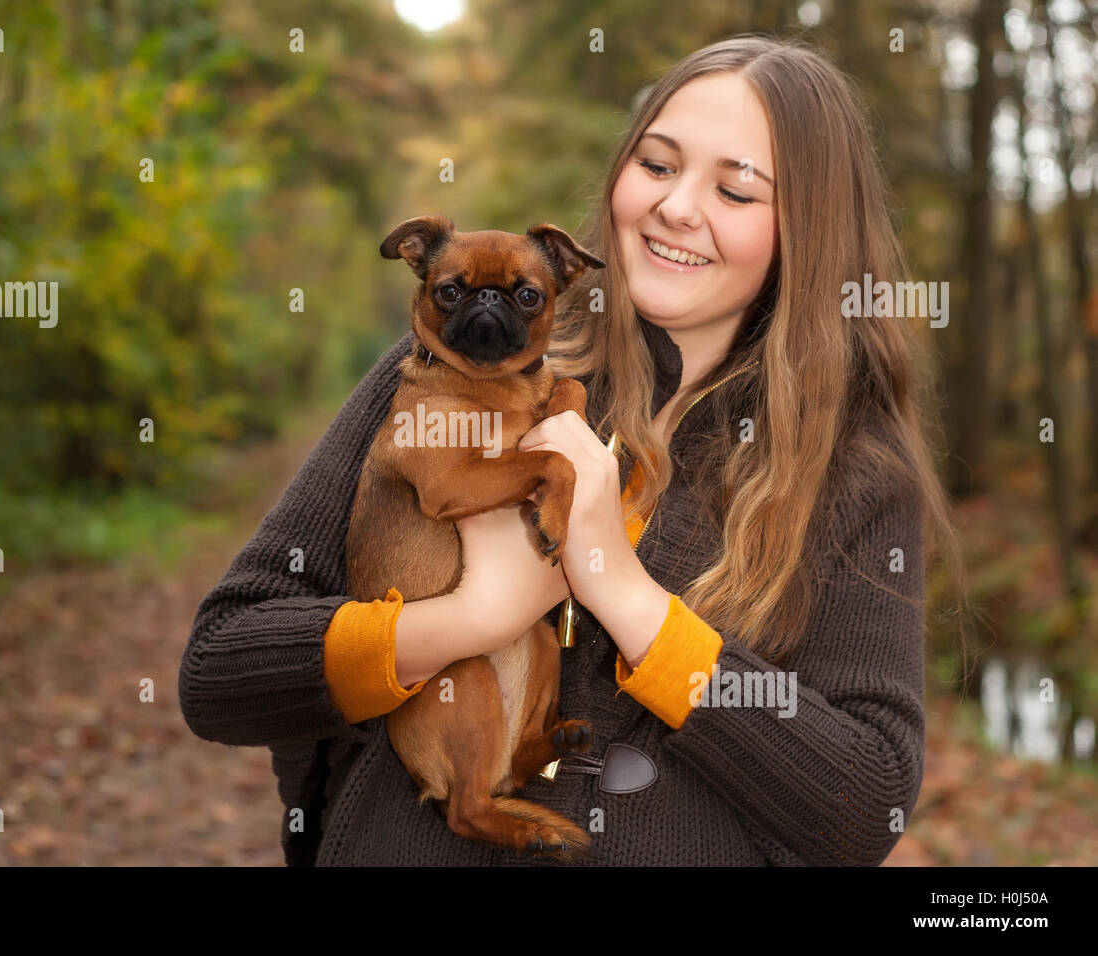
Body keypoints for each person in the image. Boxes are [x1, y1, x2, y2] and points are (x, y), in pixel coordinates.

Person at [179, 35, 968, 866]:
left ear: (808, 231)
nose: (677, 206)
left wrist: (629, 600)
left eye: (736, 189)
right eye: (657, 165)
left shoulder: (856, 472)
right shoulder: (444, 374)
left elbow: (867, 804)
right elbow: (220, 669)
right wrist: (471, 618)